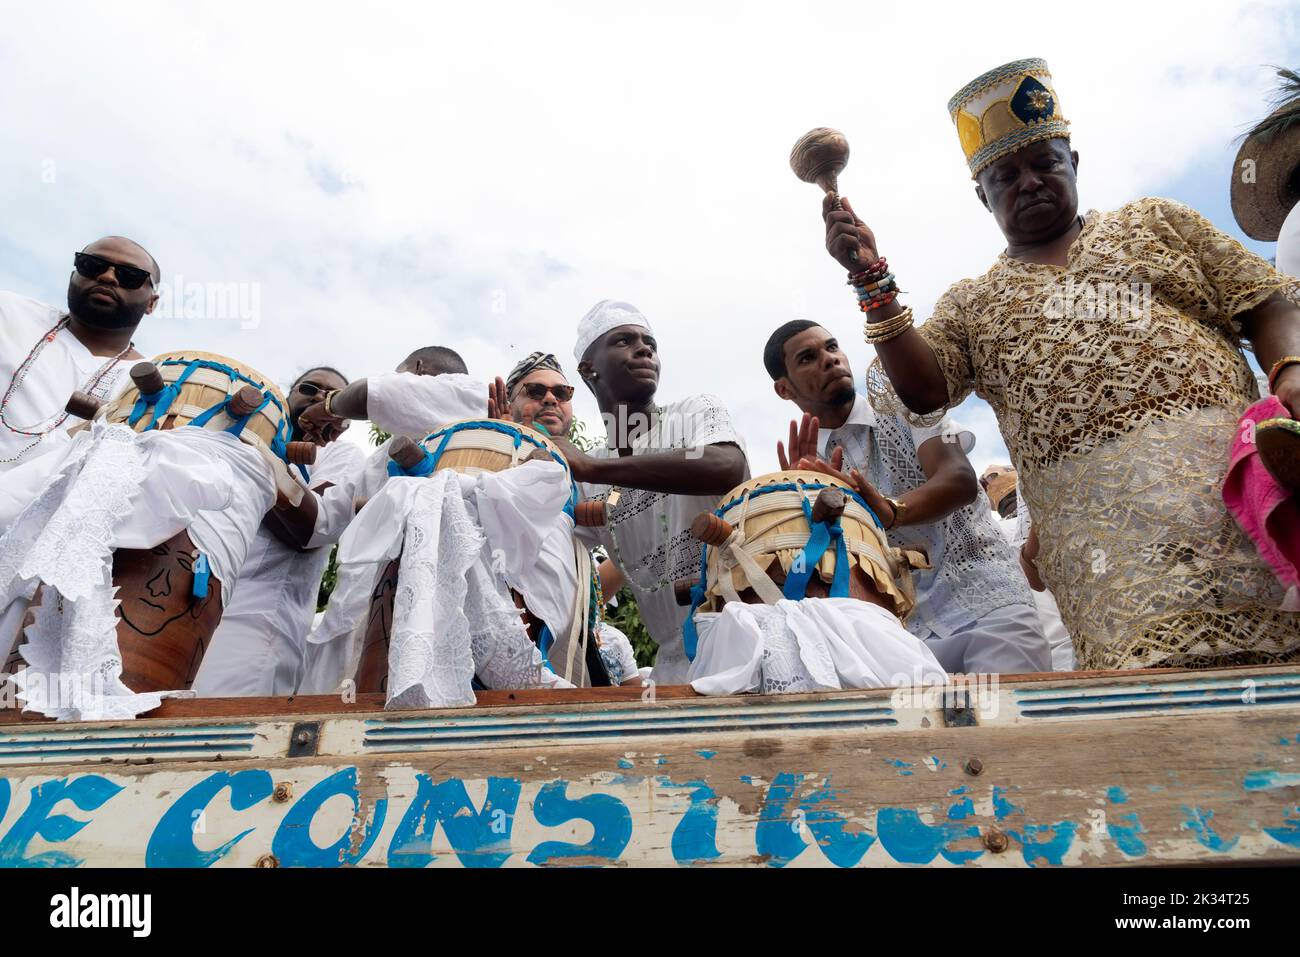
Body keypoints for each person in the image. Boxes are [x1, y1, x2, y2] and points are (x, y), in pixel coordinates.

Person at [822, 58, 1300, 669]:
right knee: (1159, 717)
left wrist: (1288, 370)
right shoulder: (974, 302)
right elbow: (923, 388)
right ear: (982, 195)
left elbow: (1264, 299)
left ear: (1074, 161)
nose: (1029, 182)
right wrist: (871, 278)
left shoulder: (1156, 222)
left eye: (1045, 162)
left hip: (1239, 505)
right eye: (1005, 175)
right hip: (1108, 560)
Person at [765, 320, 1050, 674]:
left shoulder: (908, 404)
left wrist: (891, 511)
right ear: (784, 389)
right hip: (899, 639)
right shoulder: (807, 471)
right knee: (922, 730)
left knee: (1006, 726)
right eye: (808, 357)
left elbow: (959, 479)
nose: (830, 359)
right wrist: (805, 510)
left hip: (989, 604)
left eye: (833, 347)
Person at [556, 300, 749, 684]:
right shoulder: (592, 478)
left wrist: (592, 467)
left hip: (743, 635)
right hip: (674, 667)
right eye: (624, 340)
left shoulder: (693, 413)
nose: (644, 349)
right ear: (588, 368)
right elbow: (552, 555)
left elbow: (726, 465)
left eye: (650, 343)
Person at [193, 367, 364, 697]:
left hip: (255, 625)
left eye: (332, 397)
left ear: (342, 425)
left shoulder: (339, 454)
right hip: (187, 600)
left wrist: (255, 455)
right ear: (286, 398)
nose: (317, 397)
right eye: (309, 388)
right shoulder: (231, 440)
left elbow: (315, 527)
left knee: (210, 736)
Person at [1, 237, 159, 472]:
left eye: (129, 276)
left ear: (151, 304)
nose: (107, 277)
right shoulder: (9, 313)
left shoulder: (153, 385)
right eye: (91, 265)